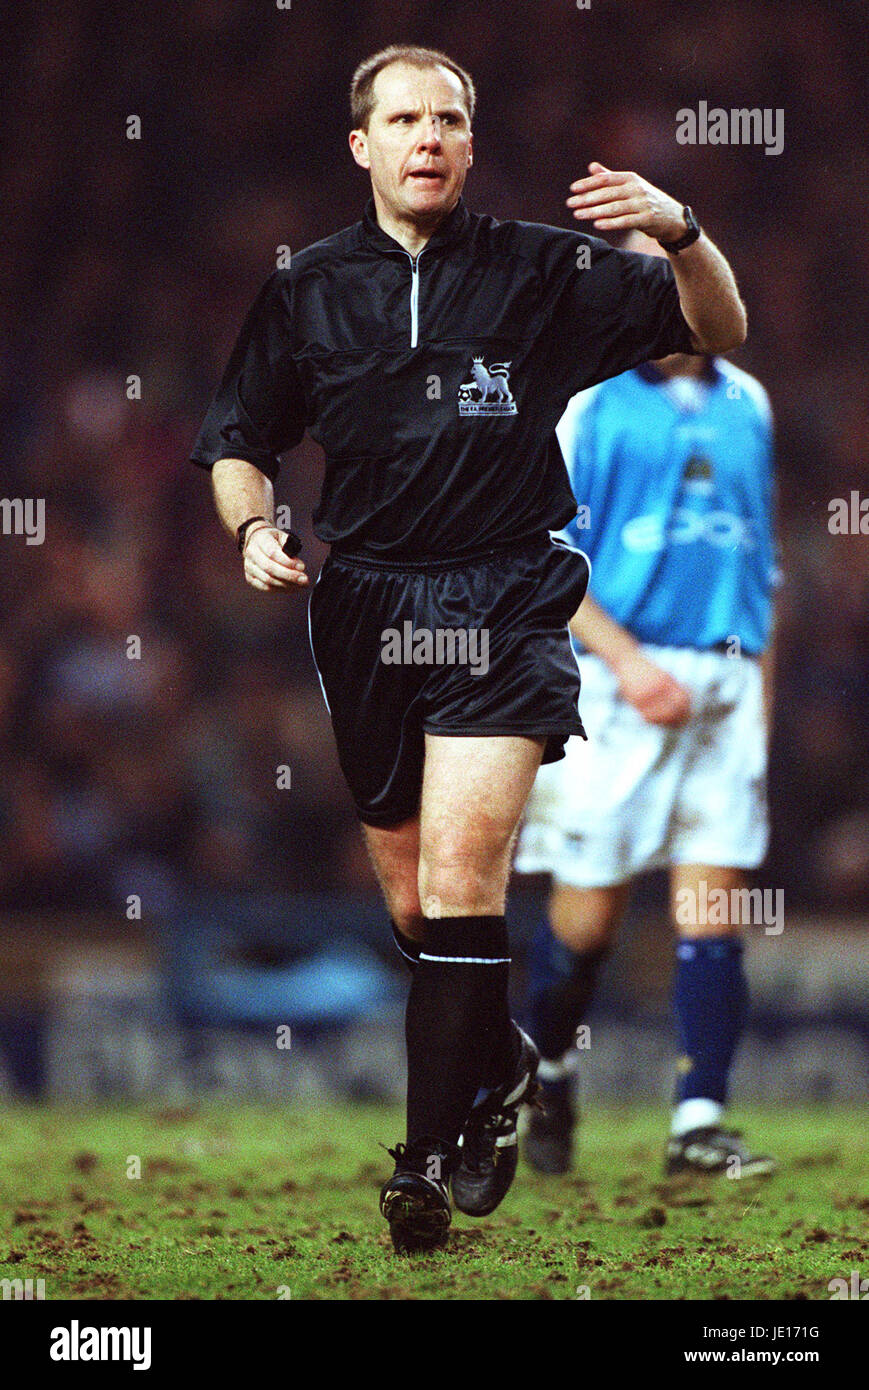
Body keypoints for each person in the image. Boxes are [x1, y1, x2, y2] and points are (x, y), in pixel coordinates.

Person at [189, 45, 747, 1252]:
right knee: (415, 905)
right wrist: (250, 527)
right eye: (403, 120)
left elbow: (720, 321)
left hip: (502, 596)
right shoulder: (307, 287)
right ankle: (499, 1073)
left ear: (469, 142)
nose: (427, 137)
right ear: (364, 146)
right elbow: (238, 437)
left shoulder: (543, 270)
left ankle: (424, 1161)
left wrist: (682, 227)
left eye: (447, 118)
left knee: (460, 887)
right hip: (367, 609)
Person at [515, 233, 777, 1179]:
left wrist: (761, 705)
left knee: (713, 905)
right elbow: (545, 556)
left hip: (724, 682)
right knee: (585, 922)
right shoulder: (584, 408)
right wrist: (625, 665)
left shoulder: (750, 402)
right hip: (617, 687)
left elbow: (762, 570)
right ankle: (544, 1066)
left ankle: (696, 1123)